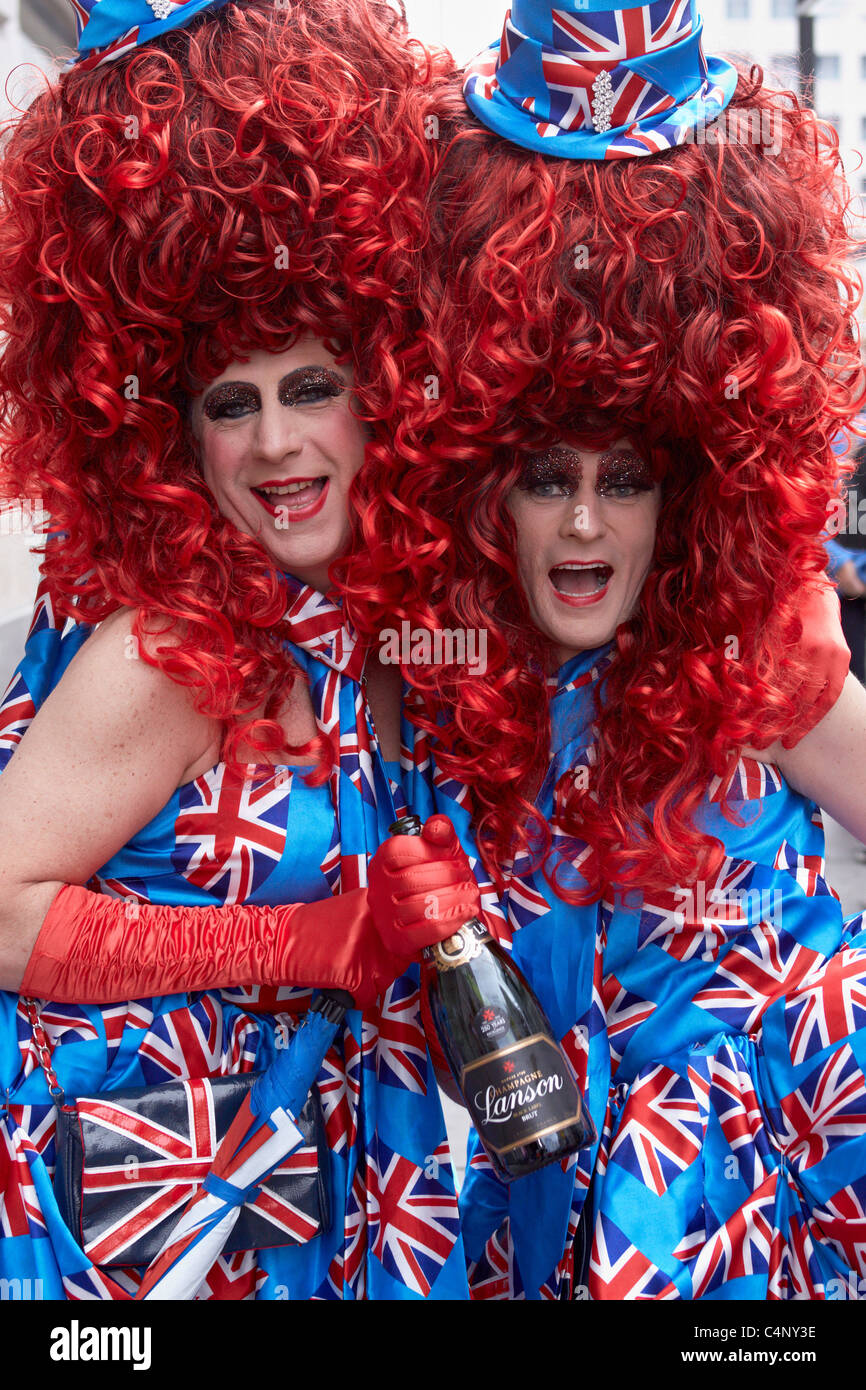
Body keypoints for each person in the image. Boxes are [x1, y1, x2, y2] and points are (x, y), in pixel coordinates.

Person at [342, 1, 866, 1298]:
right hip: (486, 1204)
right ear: (479, 487)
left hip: (713, 1234)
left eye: (623, 478)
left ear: (681, 490)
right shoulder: (420, 667)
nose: (581, 519)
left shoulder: (754, 662)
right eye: (542, 477)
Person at [0, 0, 477, 1300]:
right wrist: (309, 943)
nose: (275, 445)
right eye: (232, 404)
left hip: (292, 1179)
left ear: (380, 392)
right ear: (176, 434)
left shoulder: (365, 617)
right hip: (151, 1212)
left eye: (311, 386)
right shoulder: (173, 639)